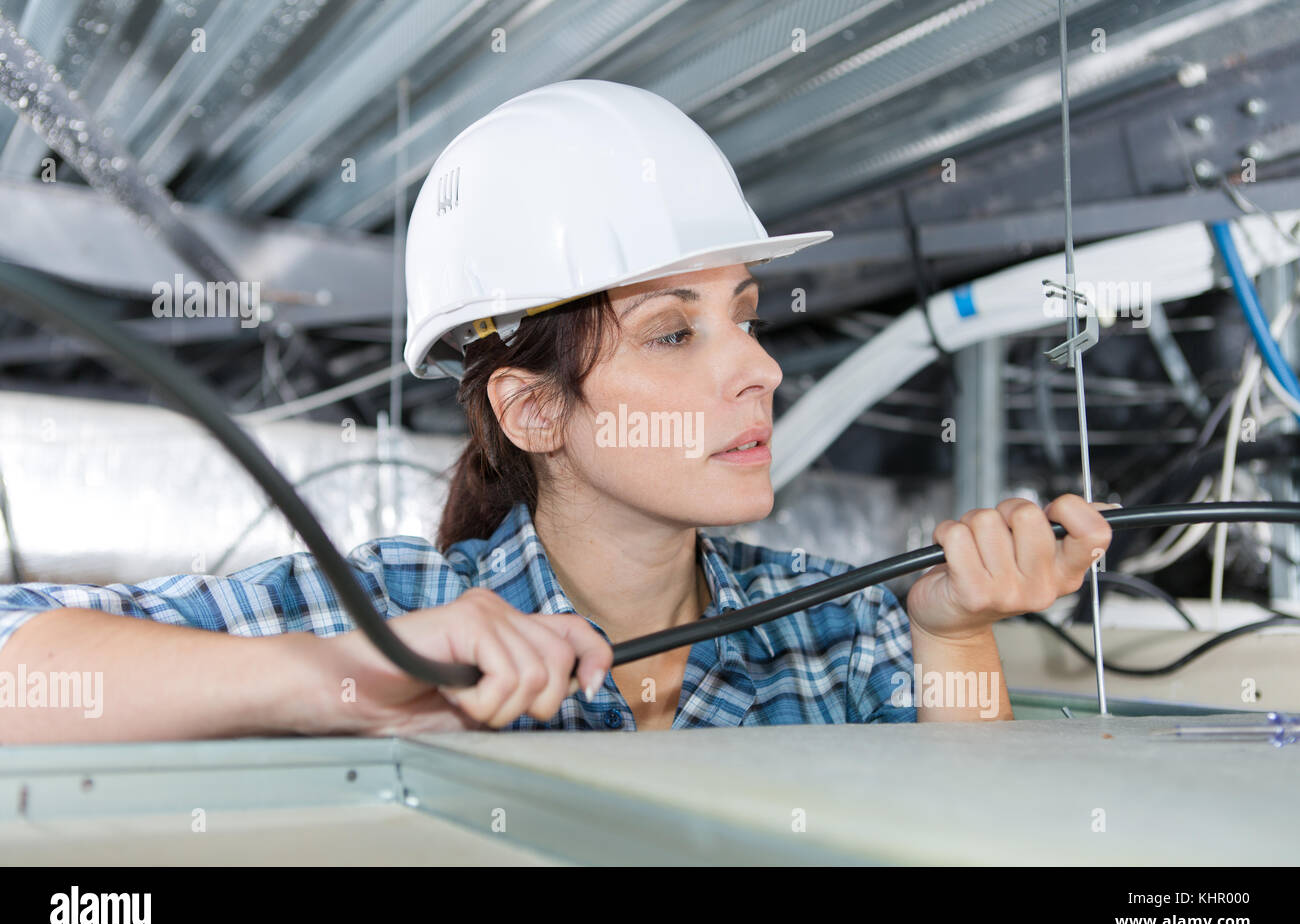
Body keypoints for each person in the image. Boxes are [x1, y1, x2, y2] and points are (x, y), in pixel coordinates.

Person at [0, 80, 1112, 745]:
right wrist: (348, 677)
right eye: (676, 332)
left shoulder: (843, 623)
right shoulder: (402, 608)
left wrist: (954, 633)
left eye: (747, 315)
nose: (762, 370)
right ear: (532, 409)